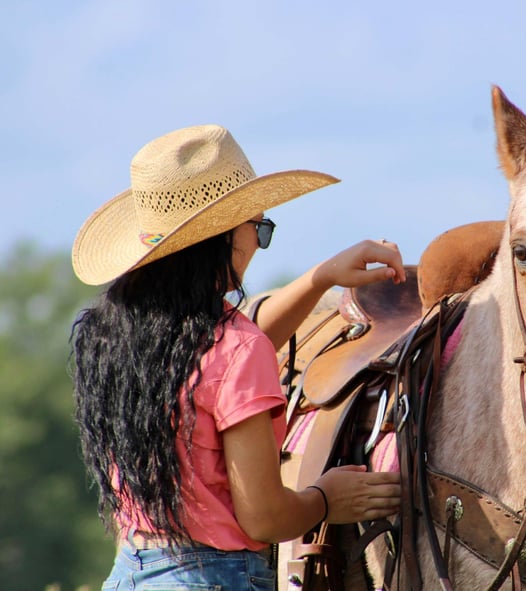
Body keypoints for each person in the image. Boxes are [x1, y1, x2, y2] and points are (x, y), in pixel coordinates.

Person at [70, 124, 404, 590]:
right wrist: (326, 499)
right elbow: (265, 517)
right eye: (259, 228)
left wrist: (321, 278)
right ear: (223, 237)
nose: (258, 244)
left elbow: (216, 371)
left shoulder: (111, 337)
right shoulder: (234, 348)